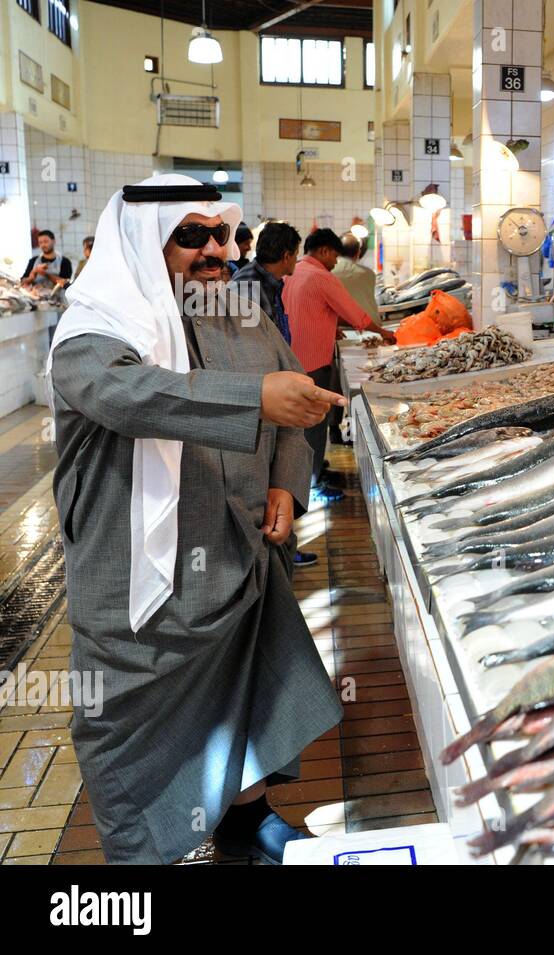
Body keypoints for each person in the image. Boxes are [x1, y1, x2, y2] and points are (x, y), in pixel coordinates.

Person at [46, 173, 346, 864]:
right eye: (193, 236)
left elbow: (294, 402)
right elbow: (130, 393)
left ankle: (247, 823)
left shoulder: (241, 309)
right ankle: (145, 856)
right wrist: (254, 401)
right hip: (140, 588)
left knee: (242, 707)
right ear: (148, 240)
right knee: (124, 726)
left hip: (238, 558)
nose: (216, 251)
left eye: (224, 234)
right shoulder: (96, 329)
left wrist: (285, 486)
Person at [283, 227, 395, 501]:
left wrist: (329, 325)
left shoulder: (294, 272)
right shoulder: (322, 276)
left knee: (299, 424)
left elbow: (305, 310)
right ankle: (313, 485)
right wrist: (383, 333)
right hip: (313, 361)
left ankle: (312, 470)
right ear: (323, 251)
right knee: (314, 422)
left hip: (290, 358)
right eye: (333, 256)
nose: (336, 262)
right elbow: (356, 314)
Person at [232, 223, 320, 569]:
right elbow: (246, 349)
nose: (296, 260)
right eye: (295, 254)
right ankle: (269, 555)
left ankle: (281, 551)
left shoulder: (266, 282)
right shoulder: (249, 287)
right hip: (259, 398)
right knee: (264, 480)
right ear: (286, 255)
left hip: (269, 392)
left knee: (278, 475)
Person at [333, 232, 380, 322]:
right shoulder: (369, 274)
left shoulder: (327, 272)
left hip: (341, 326)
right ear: (358, 253)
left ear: (336, 251)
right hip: (371, 325)